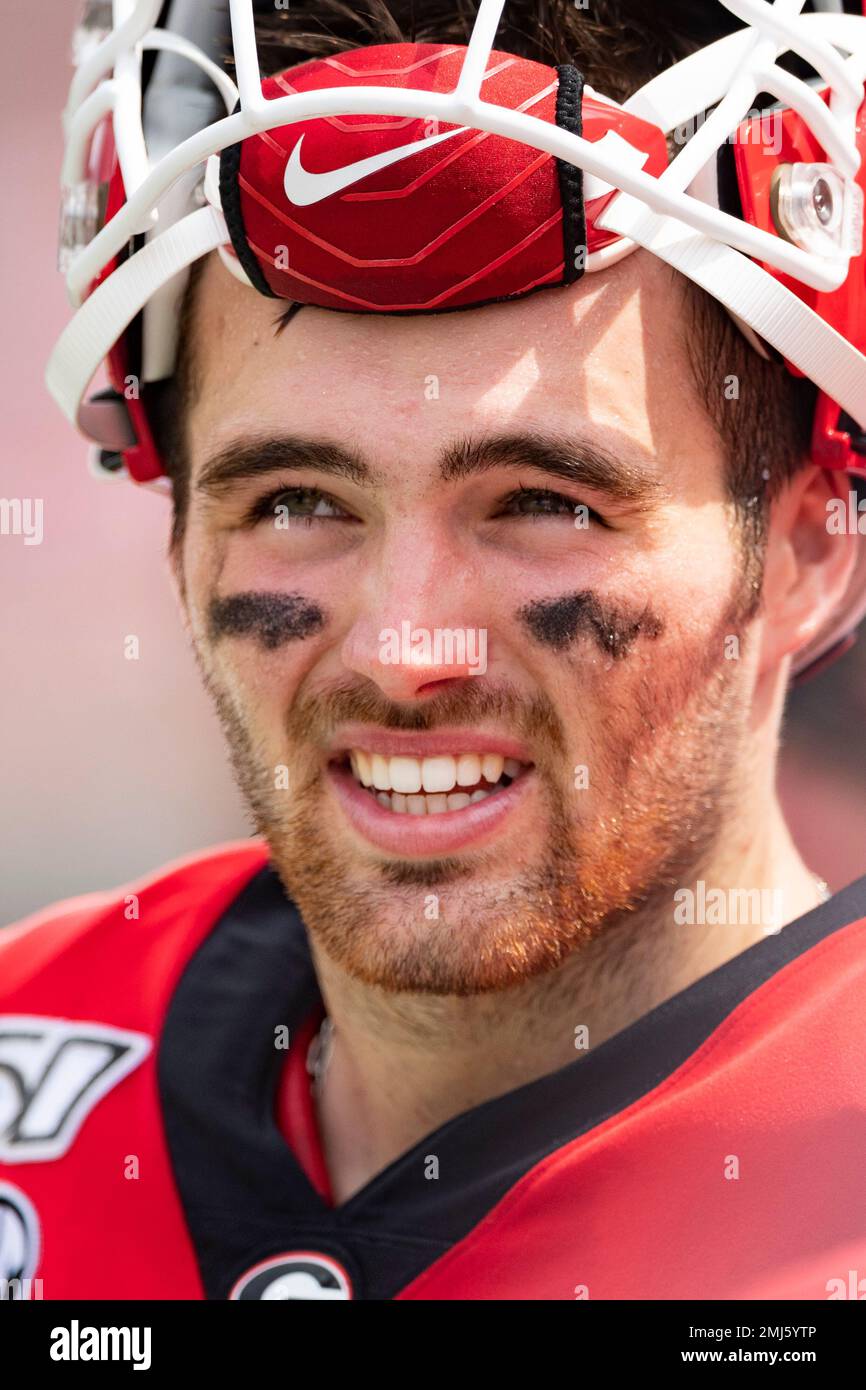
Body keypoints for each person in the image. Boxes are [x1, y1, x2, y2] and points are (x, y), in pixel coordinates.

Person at [2, 0, 866, 1301]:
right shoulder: (35, 1042)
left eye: (544, 502)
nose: (408, 652)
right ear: (175, 524)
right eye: (295, 499)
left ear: (810, 544)